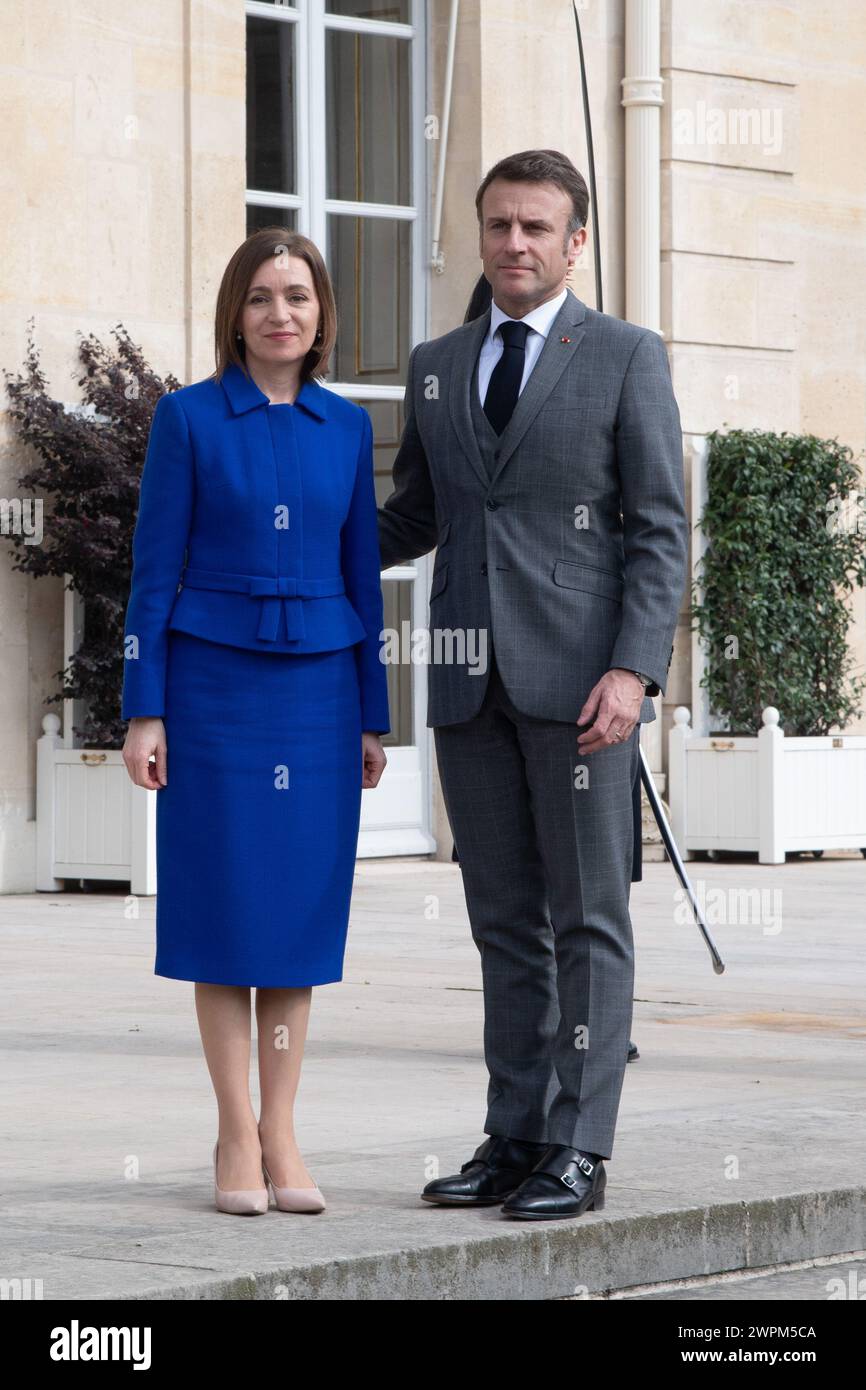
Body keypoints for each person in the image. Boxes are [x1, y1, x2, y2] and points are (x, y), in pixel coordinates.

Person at [378, 149, 689, 1220]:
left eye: (535, 228)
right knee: (501, 921)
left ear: (574, 242)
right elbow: (414, 514)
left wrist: (633, 670)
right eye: (498, 224)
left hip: (583, 691)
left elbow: (658, 530)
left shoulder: (623, 356)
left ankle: (578, 1146)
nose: (513, 243)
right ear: (480, 232)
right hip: (468, 685)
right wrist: (284, 529)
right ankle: (514, 1132)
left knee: (588, 919)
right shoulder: (434, 361)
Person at [121, 228, 389, 1216]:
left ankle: (283, 1127)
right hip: (213, 693)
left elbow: (363, 575)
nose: (281, 312)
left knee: (291, 919)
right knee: (226, 911)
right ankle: (234, 1130)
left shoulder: (348, 428)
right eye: (262, 296)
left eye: (299, 296)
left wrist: (371, 715)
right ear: (235, 312)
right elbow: (152, 576)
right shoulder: (187, 420)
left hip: (318, 698)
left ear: (321, 316)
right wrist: (143, 709)